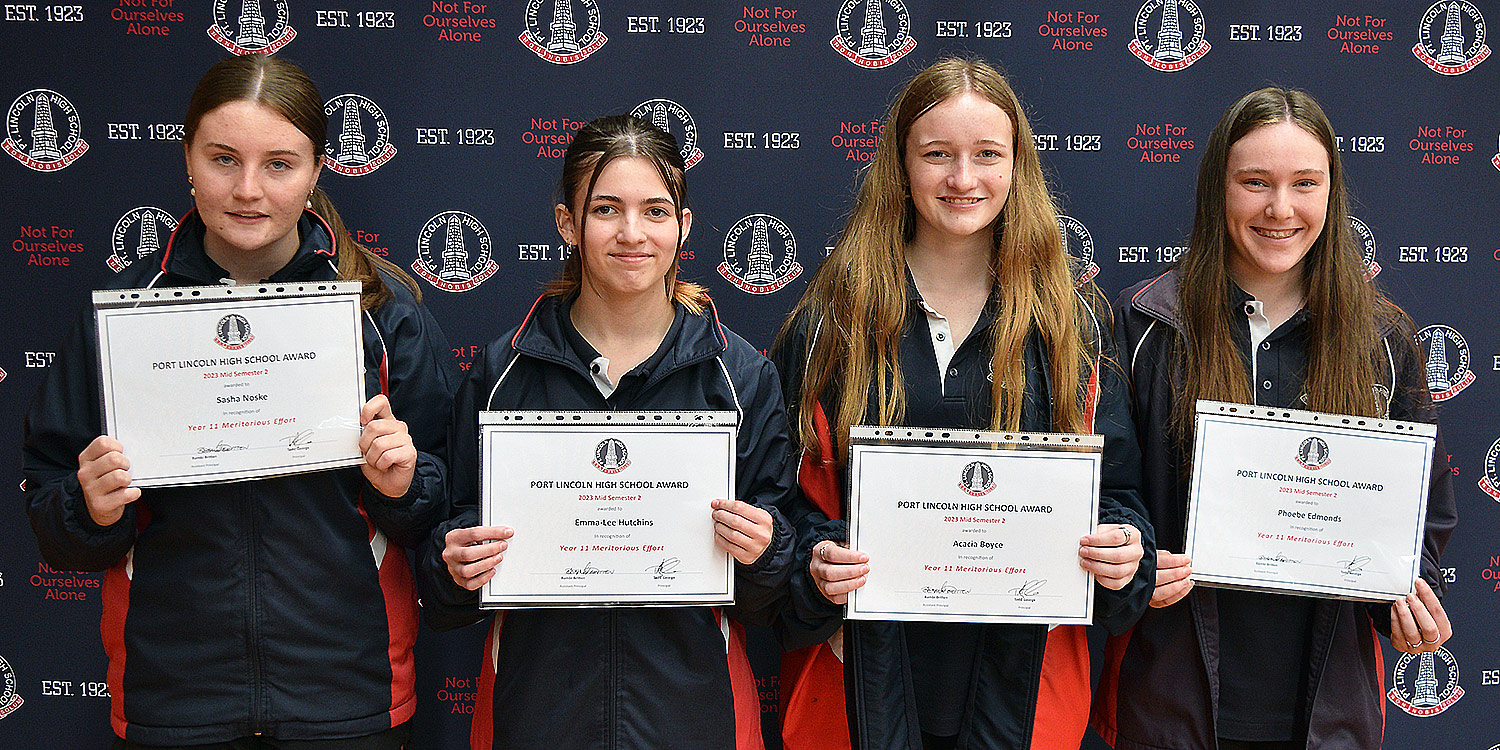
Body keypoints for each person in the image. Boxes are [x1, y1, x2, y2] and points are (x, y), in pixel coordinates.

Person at [23, 54, 456, 749]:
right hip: (173, 701)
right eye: (223, 159)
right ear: (187, 160)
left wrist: (406, 485)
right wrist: (90, 505)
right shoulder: (123, 319)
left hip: (347, 696)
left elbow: (445, 513)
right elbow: (51, 512)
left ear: (317, 170)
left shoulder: (384, 314)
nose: (248, 189)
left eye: (280, 164)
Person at [771, 56, 1154, 750]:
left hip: (1023, 685)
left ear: (1018, 166)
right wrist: (814, 562)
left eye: (987, 155)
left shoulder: (1072, 322)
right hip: (860, 682)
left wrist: (1126, 549)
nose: (963, 179)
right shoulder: (831, 319)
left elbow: (1120, 493)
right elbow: (784, 501)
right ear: (900, 163)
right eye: (937, 154)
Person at [418, 114, 799, 750]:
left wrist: (766, 549)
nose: (632, 234)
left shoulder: (739, 375)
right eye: (605, 209)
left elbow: (776, 591)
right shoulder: (501, 371)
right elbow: (443, 565)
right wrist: (453, 561)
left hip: (696, 722)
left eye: (655, 210)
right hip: (535, 720)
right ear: (567, 223)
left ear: (683, 225)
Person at [1093, 87, 1456, 750]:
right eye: (1254, 182)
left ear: (1331, 194)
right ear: (1217, 190)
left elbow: (1421, 517)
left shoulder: (1384, 339)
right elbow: (1111, 496)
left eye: (1304, 184)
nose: (1279, 209)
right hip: (1166, 710)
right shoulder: (1145, 323)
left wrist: (1410, 598)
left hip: (1327, 719)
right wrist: (1135, 563)